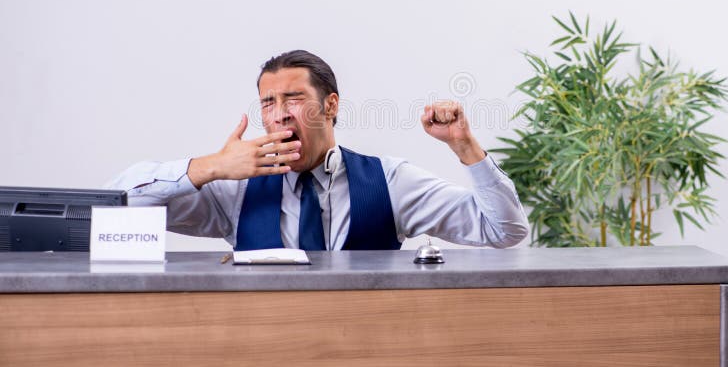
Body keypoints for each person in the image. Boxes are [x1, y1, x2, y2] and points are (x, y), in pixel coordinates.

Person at [106, 50, 529, 250]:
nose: (279, 115)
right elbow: (116, 206)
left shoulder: (389, 180)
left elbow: (505, 231)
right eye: (268, 104)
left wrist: (464, 145)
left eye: (293, 99)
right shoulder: (232, 189)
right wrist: (211, 167)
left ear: (331, 105)